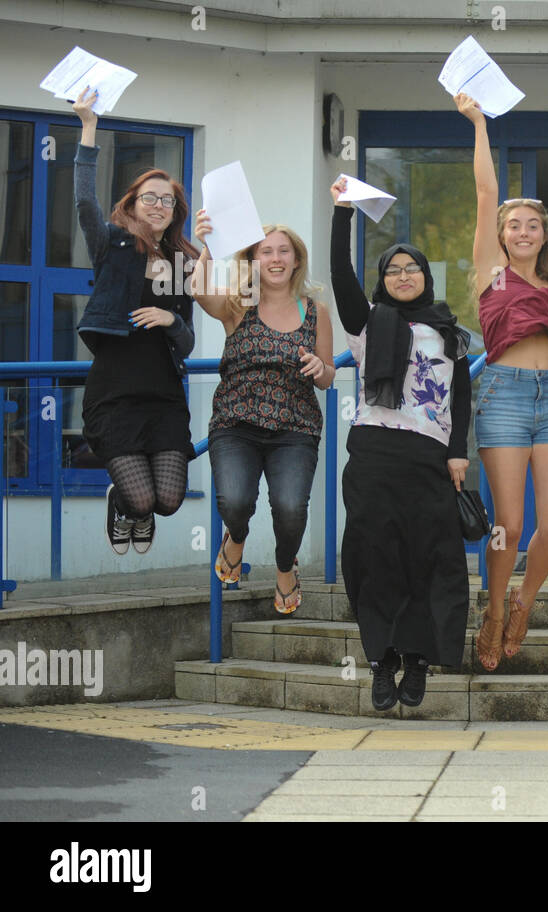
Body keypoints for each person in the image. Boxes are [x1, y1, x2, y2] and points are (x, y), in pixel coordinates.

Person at [329, 175, 472, 712]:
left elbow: (460, 396)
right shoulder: (367, 323)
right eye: (393, 269)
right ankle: (382, 660)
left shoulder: (447, 330)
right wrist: (344, 212)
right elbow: (341, 273)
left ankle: (418, 659)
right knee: (374, 558)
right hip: (373, 456)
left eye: (412, 268)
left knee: (429, 562)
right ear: (383, 280)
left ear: (426, 277)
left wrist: (458, 451)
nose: (403, 275)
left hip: (429, 460)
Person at [456, 93, 548, 670]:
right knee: (508, 525)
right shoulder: (492, 274)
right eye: (515, 225)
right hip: (503, 395)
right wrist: (481, 125)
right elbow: (487, 192)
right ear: (503, 236)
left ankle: (521, 602)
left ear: (544, 235)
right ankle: (490, 609)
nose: (523, 231)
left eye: (534, 224)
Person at [72, 87, 197, 556]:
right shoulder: (112, 244)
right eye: (150, 198)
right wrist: (88, 128)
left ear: (175, 211)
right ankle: (124, 506)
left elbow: (185, 343)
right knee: (141, 496)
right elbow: (85, 203)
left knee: (167, 499)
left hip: (163, 394)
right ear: (134, 202)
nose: (158, 206)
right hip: (115, 393)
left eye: (166, 200)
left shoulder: (184, 260)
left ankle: (137, 511)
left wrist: (169, 318)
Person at [192, 220, 334, 614]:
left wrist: (318, 368)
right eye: (266, 251)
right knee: (236, 501)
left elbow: (327, 375)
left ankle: (285, 567)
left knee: (290, 510)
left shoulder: (316, 311)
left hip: (295, 428)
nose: (275, 258)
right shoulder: (239, 303)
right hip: (236, 424)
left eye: (283, 251)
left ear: (296, 259)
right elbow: (199, 292)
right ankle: (235, 537)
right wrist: (205, 242)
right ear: (253, 259)